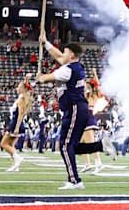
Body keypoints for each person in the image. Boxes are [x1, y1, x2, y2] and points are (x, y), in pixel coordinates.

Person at [35, 35, 91, 190]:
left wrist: (40, 78)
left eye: (65, 52)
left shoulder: (68, 70)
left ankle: (75, 180)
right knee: (70, 145)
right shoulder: (76, 66)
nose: (62, 54)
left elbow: (47, 79)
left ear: (71, 55)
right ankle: (74, 178)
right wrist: (46, 43)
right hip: (77, 108)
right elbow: (59, 57)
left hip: (74, 108)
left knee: (65, 145)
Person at [1, 74, 33, 173]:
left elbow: (20, 114)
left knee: (3, 144)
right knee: (11, 145)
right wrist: (26, 78)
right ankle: (15, 165)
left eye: (18, 87)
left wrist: (16, 128)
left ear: (22, 89)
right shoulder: (22, 97)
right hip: (16, 123)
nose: (16, 88)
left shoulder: (21, 99)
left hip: (16, 124)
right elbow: (26, 85)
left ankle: (18, 158)